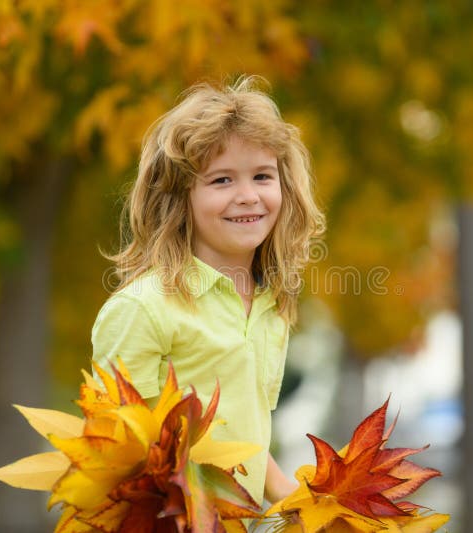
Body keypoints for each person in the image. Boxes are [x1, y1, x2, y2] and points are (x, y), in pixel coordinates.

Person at [91, 76, 325, 506]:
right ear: (180, 198)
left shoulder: (271, 307)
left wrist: (297, 502)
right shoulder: (143, 309)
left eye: (262, 176)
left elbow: (246, 434)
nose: (248, 196)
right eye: (221, 180)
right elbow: (116, 452)